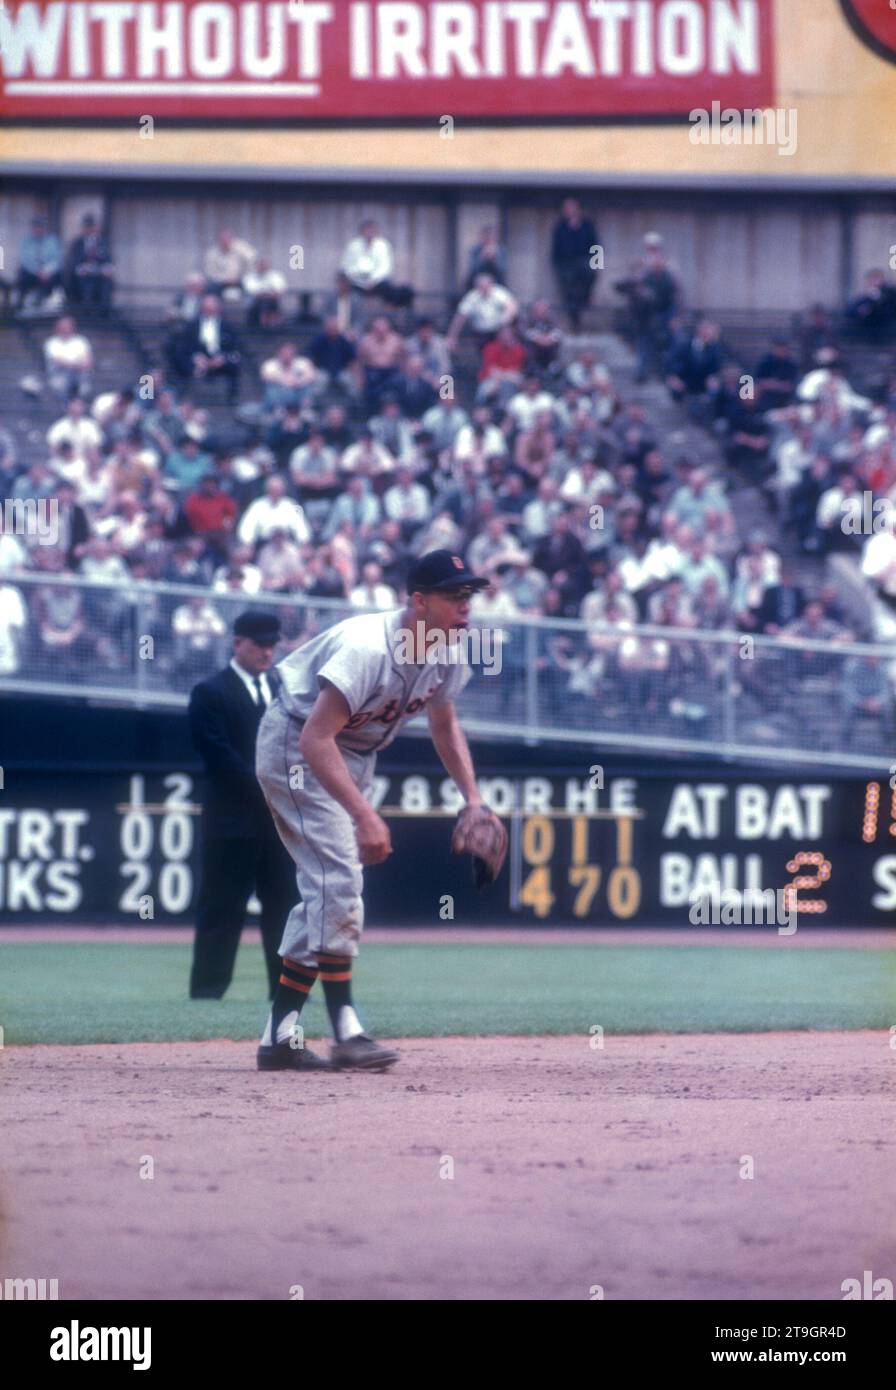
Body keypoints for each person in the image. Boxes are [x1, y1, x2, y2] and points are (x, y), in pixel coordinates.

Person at [253, 549, 492, 1072]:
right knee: (339, 881)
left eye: (469, 595)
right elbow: (317, 739)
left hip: (355, 754)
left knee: (326, 893)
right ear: (419, 602)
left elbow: (444, 724)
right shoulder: (367, 647)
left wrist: (472, 799)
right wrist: (364, 815)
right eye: (454, 596)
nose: (465, 606)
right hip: (296, 746)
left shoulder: (448, 648)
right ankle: (346, 1032)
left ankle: (280, 1038)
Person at [188, 609, 298, 1000]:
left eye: (272, 645)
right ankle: (207, 995)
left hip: (278, 825)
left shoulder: (284, 690)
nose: (267, 653)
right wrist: (276, 787)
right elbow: (219, 758)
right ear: (238, 644)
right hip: (232, 823)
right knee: (221, 909)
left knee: (285, 910)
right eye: (259, 645)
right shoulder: (210, 692)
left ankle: (287, 993)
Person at [550, 197, 598, 331]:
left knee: (588, 275)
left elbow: (596, 245)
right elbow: (556, 248)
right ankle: (574, 320)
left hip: (584, 260)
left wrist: (597, 265)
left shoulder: (587, 224)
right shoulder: (560, 226)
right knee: (569, 291)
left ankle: (586, 299)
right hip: (566, 263)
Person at [16, 214, 65, 315]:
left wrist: (47, 271)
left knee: (57, 277)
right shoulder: (26, 241)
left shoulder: (53, 240)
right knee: (22, 275)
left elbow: (57, 259)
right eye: (36, 227)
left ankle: (43, 305)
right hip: (32, 272)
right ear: (32, 228)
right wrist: (37, 271)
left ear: (44, 228)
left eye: (41, 227)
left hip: (48, 273)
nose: (38, 229)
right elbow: (25, 260)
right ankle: (21, 306)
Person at [65, 214, 114, 312]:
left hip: (100, 274)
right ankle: (87, 313)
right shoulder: (77, 243)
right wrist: (81, 269)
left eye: (91, 226)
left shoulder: (103, 242)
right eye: (87, 227)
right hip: (83, 276)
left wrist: (106, 269)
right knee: (87, 286)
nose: (90, 229)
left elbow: (109, 260)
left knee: (106, 285)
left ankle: (104, 314)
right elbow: (74, 262)